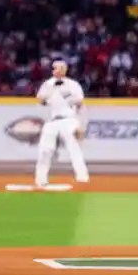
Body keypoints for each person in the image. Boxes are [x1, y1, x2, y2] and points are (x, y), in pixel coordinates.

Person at [33, 59, 90, 190]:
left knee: (74, 149)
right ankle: (41, 179)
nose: (55, 70)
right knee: (45, 150)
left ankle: (83, 178)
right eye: (53, 68)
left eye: (58, 68)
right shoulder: (47, 84)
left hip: (70, 119)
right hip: (53, 120)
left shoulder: (73, 85)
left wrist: (81, 125)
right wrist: (49, 92)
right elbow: (40, 100)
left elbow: (80, 105)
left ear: (64, 69)